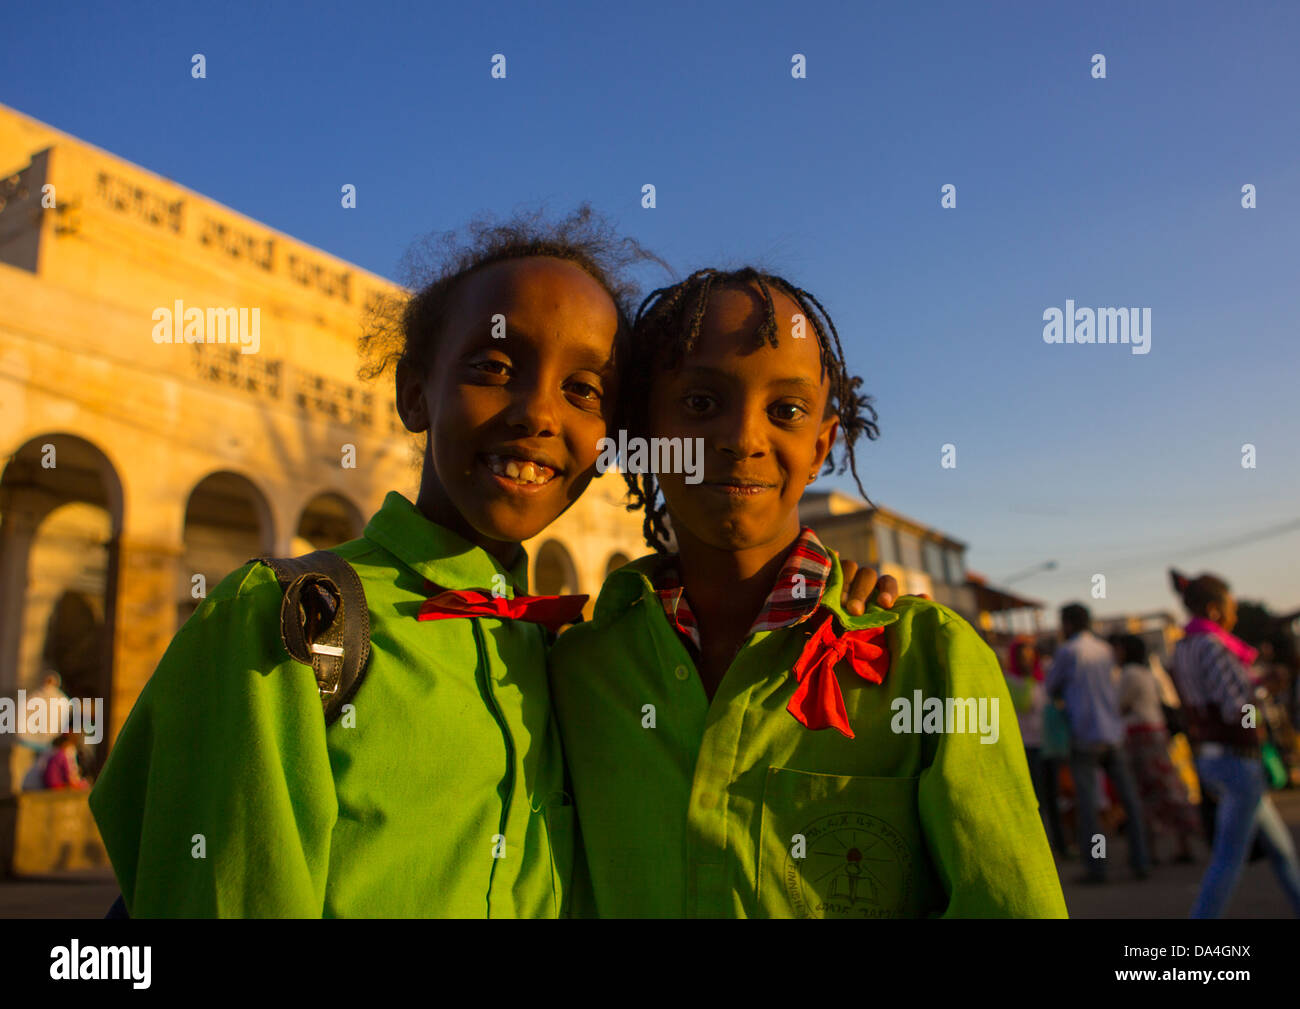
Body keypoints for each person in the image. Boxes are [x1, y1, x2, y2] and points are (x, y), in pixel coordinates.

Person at [88, 211, 898, 918]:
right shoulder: (297, 620)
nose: (539, 413)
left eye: (584, 391)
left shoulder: (571, 658)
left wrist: (820, 594)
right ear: (415, 394)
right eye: (493, 368)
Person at [549, 267, 1066, 917]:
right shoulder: (578, 674)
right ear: (643, 432)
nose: (742, 438)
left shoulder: (924, 662)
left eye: (786, 410)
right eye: (701, 403)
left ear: (822, 443)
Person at [1168, 569, 1300, 918]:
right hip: (1237, 760)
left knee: (1281, 851)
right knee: (1228, 859)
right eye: (1230, 606)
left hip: (1212, 756)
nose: (1235, 613)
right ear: (1214, 609)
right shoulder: (1213, 646)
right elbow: (1236, 708)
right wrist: (1264, 690)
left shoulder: (1183, 646)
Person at [1046, 603, 1150, 883]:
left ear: (1067, 624)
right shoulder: (1104, 649)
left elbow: (1050, 686)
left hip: (1084, 734)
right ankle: (1141, 860)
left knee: (1089, 806)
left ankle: (1097, 867)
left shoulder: (1068, 652)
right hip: (1113, 732)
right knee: (1129, 800)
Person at [1111, 633, 1199, 864]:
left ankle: (1148, 852)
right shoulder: (1147, 673)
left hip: (1140, 738)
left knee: (1144, 794)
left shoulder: (1128, 674)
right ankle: (1183, 843)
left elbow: (1120, 707)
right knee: (1168, 789)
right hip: (1156, 734)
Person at [1007, 636, 1068, 856]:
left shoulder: (1043, 681)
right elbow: (1023, 706)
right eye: (1022, 656)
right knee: (1034, 801)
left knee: (1053, 798)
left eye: (1030, 656)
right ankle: (1039, 851)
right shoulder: (1010, 682)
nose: (1026, 660)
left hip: (1046, 746)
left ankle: (1060, 845)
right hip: (1026, 747)